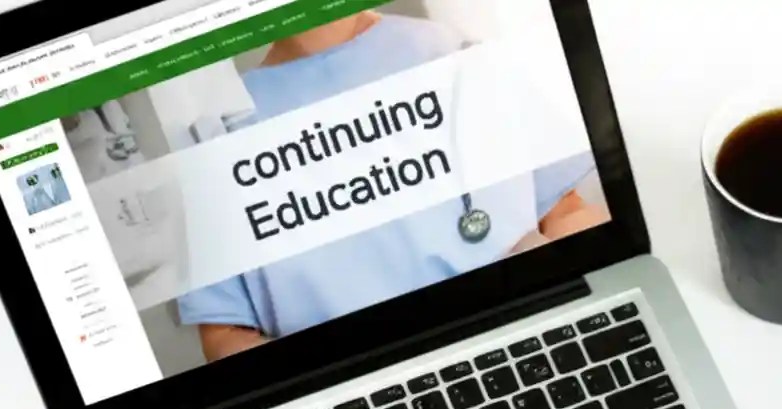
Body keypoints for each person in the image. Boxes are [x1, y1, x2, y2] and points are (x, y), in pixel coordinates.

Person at [177, 10, 609, 361]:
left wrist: (552, 297)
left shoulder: (455, 56)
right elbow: (224, 336)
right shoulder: (216, 141)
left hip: (520, 345)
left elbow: (566, 212)